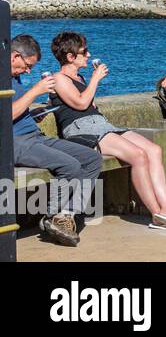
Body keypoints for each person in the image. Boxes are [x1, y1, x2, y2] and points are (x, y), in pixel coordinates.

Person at [48, 31, 166, 231]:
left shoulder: (79, 77)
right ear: (70, 57)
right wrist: (96, 79)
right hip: (82, 130)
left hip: (100, 124)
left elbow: (90, 105)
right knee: (138, 156)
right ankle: (156, 214)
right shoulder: (59, 78)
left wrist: (91, 81)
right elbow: (80, 104)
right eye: (84, 52)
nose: (88, 55)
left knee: (154, 150)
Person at [8, 34, 102, 246]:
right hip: (14, 142)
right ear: (15, 56)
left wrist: (34, 113)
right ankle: (52, 217)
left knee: (91, 158)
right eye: (27, 65)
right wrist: (35, 91)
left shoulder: (13, 76)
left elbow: (16, 110)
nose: (28, 71)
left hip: (34, 136)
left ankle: (66, 214)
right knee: (69, 166)